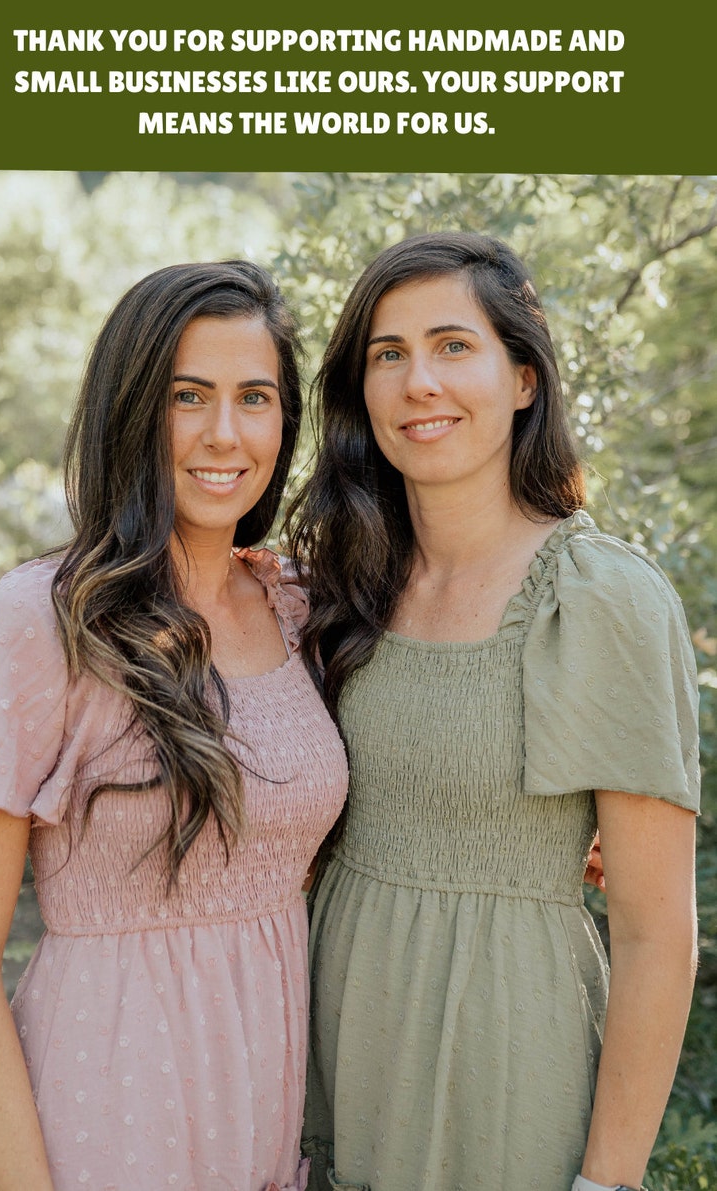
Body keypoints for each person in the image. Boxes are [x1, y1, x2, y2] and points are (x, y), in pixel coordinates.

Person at [288, 232, 700, 1191]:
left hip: (508, 1068)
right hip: (332, 1049)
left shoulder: (599, 598)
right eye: (387, 354)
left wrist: (608, 1182)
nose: (417, 381)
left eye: (452, 345)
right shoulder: (341, 586)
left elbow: (656, 931)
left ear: (524, 378)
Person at [0, 261, 348, 1190]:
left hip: (270, 1122)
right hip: (102, 1122)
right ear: (130, 407)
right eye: (185, 396)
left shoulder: (293, 608)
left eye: (255, 397)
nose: (223, 433)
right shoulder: (41, 619)